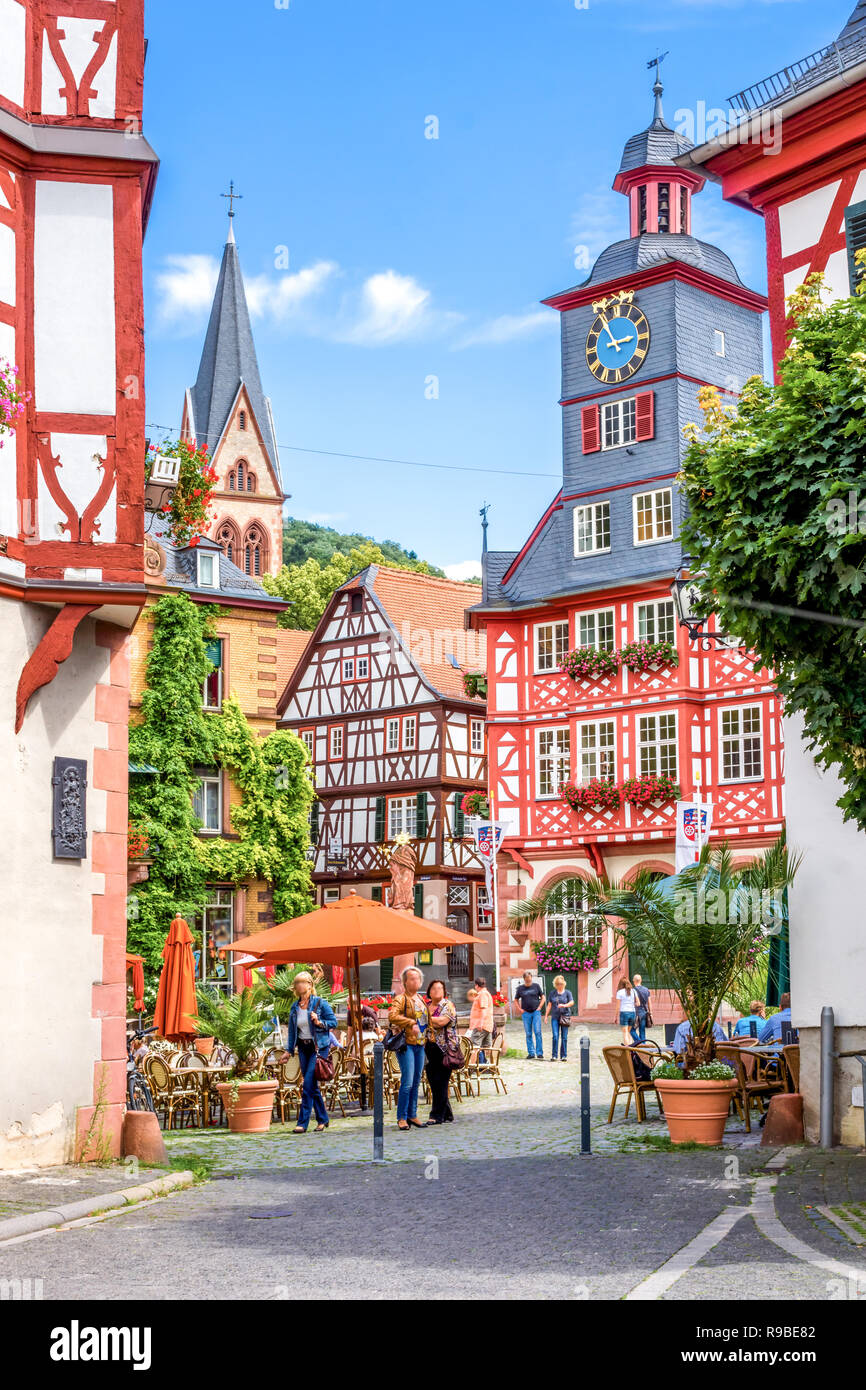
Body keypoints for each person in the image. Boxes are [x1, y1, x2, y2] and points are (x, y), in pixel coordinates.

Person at [286, 970, 338, 1134]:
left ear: (310, 984)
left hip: (318, 1048)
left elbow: (333, 1022)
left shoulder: (320, 1003)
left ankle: (303, 1122)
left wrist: (319, 1021)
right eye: (297, 982)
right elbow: (292, 1032)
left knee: (307, 1085)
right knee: (312, 1086)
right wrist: (289, 1050)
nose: (299, 985)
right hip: (303, 1048)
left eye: (303, 982)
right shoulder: (295, 1007)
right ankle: (323, 1119)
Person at [388, 967, 431, 1131]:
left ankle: (412, 1114)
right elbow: (392, 1016)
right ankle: (402, 1117)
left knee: (416, 1081)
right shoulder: (401, 999)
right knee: (407, 1081)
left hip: (420, 1044)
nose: (415, 981)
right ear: (405, 982)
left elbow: (426, 1021)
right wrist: (410, 1023)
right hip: (406, 1044)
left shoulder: (420, 999)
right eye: (411, 979)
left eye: (417, 979)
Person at [425, 978, 458, 1124]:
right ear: (429, 992)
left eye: (439, 988)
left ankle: (436, 1115)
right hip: (428, 1048)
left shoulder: (448, 1005)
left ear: (444, 991)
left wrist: (423, 1018)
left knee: (442, 1081)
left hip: (445, 1048)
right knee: (433, 1081)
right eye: (433, 988)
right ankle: (448, 1114)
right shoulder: (426, 1006)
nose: (436, 991)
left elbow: (441, 1022)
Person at [515, 971, 546, 1059]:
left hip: (536, 1012)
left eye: (529, 979)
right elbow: (516, 1000)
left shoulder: (536, 986)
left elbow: (543, 997)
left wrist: (540, 1006)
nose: (528, 981)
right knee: (528, 1033)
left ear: (531, 978)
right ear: (524, 979)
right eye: (526, 979)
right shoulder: (520, 988)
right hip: (526, 1013)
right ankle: (531, 1053)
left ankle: (539, 1053)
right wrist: (520, 1009)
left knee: (537, 1032)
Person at [545, 975, 574, 1061]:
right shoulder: (552, 993)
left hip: (565, 1016)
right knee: (555, 1036)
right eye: (557, 984)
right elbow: (549, 1005)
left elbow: (572, 1002)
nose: (559, 985)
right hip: (555, 1017)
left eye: (561, 984)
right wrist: (546, 1016)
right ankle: (554, 1055)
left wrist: (564, 1005)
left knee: (564, 1037)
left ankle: (563, 1056)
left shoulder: (568, 993)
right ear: (555, 984)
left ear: (564, 984)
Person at [468, 975, 494, 1062]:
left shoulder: (482, 994)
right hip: (487, 1025)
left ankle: (473, 1067)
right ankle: (483, 1066)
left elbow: (483, 1009)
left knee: (475, 1047)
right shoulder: (486, 993)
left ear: (476, 985)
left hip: (481, 1026)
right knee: (482, 1047)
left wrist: (480, 1024)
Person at [615, 977, 639, 1045]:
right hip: (632, 1013)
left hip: (624, 1013)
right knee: (629, 1031)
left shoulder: (620, 992)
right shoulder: (634, 991)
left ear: (620, 984)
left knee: (625, 1032)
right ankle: (631, 1048)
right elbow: (638, 1002)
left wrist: (616, 1017)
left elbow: (618, 1006)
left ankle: (627, 1049)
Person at [630, 974, 651, 1044]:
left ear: (633, 981)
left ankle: (639, 1043)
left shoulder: (632, 991)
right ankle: (643, 1048)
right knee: (642, 1031)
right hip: (644, 1012)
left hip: (635, 1012)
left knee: (631, 1030)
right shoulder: (646, 990)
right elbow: (649, 1003)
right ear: (641, 980)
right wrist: (650, 1012)